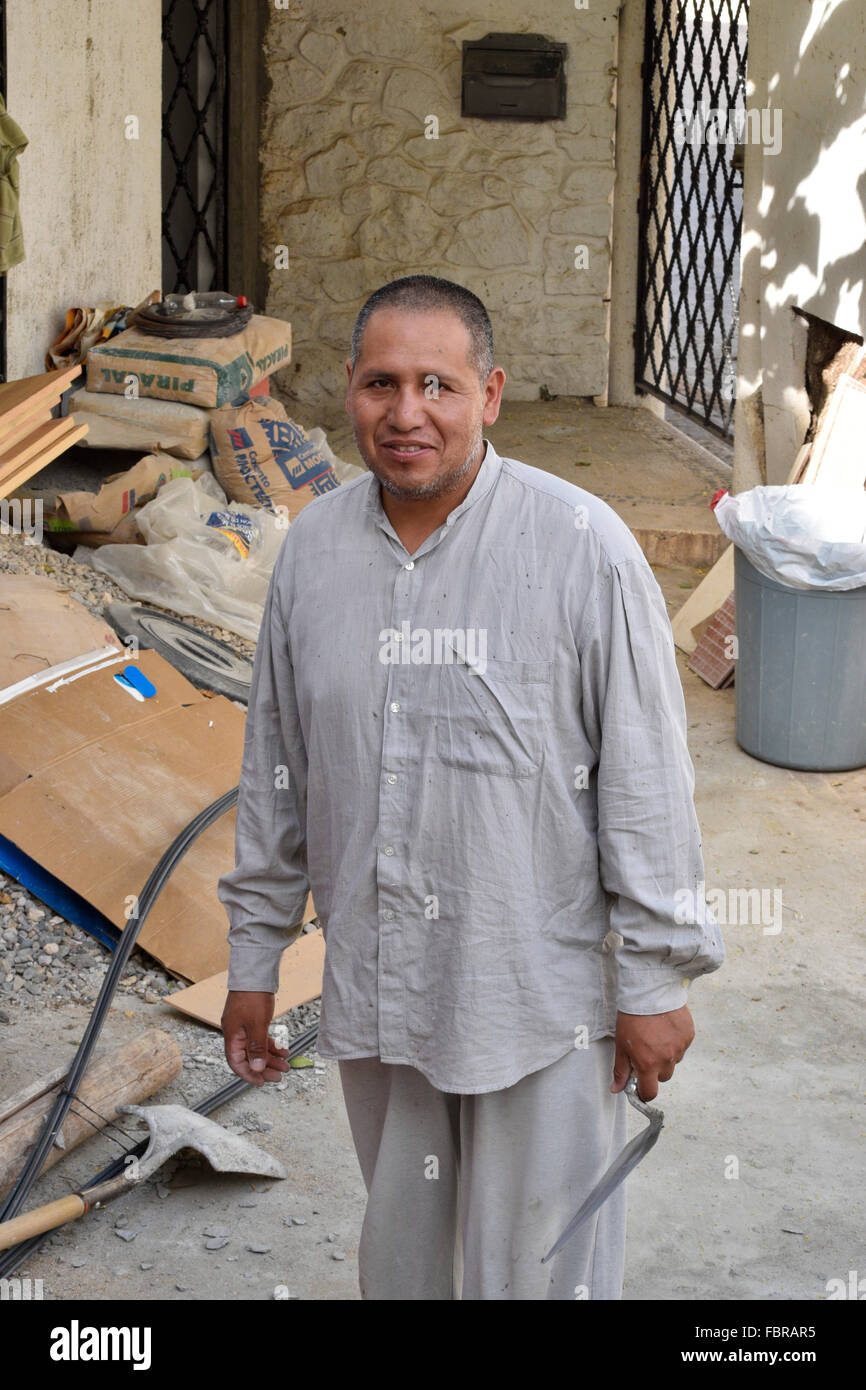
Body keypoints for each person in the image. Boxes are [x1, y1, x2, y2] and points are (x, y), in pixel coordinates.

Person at [219, 275, 724, 1300]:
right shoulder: (312, 553)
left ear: (489, 394)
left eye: (437, 385)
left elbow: (642, 777)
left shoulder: (581, 549)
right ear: (347, 395)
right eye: (380, 384)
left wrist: (655, 978)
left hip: (536, 995)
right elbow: (277, 768)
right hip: (383, 986)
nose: (407, 414)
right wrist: (253, 956)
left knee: (539, 1274)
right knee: (403, 1267)